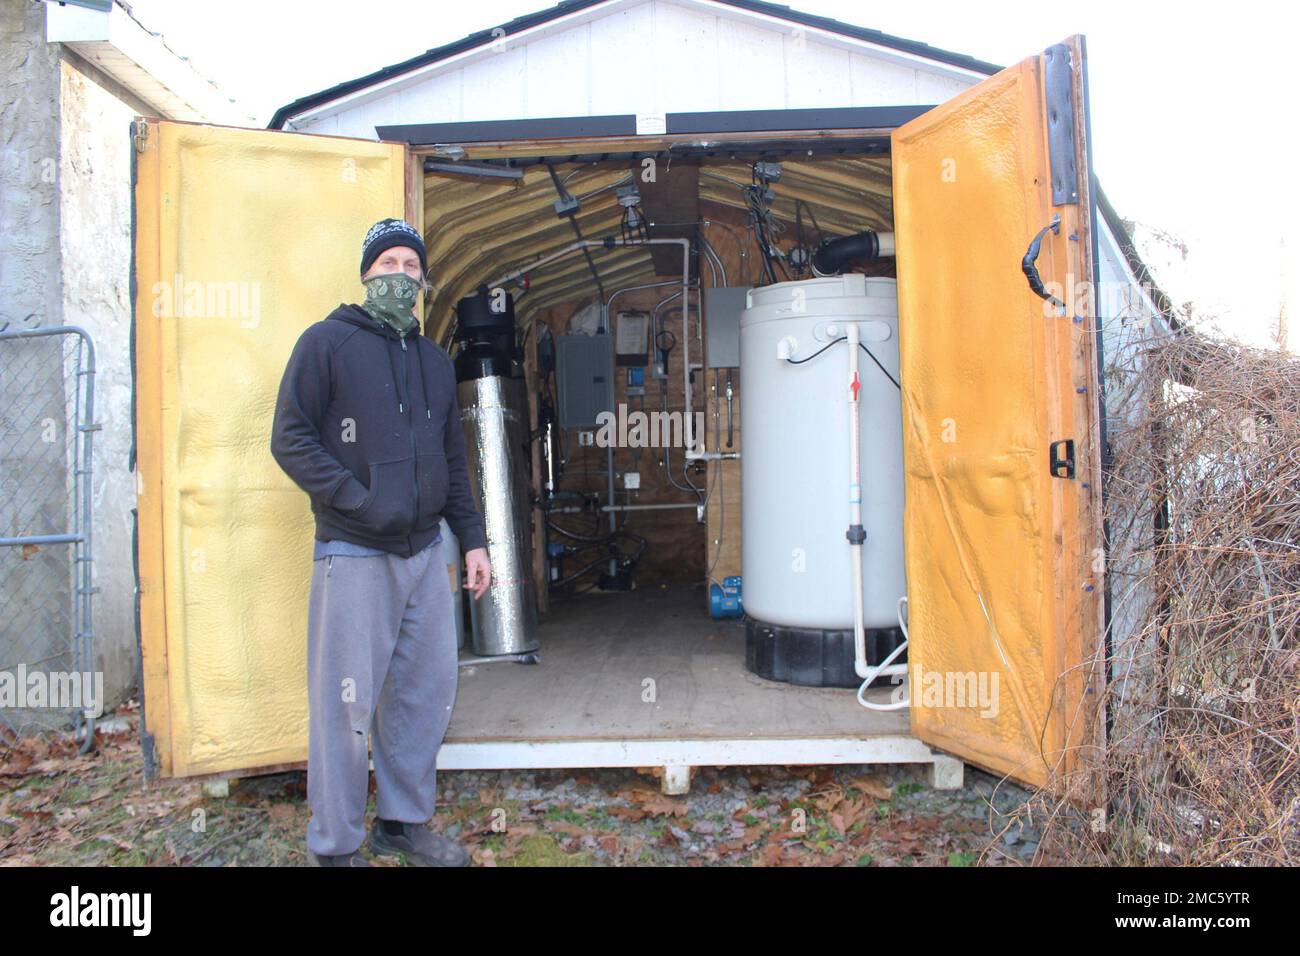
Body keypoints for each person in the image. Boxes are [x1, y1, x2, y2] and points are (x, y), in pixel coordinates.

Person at [270, 218, 491, 867]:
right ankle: (335, 848)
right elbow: (291, 438)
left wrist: (472, 542)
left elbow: (454, 459)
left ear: (424, 279)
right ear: (367, 274)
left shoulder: (432, 360)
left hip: (426, 555)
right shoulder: (326, 344)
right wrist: (355, 500)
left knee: (422, 694)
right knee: (345, 704)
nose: (400, 275)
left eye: (410, 265)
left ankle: (403, 821)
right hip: (353, 552)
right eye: (388, 263)